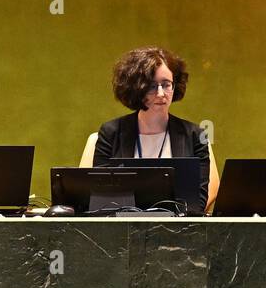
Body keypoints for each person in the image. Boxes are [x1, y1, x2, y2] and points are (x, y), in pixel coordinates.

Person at [93, 46, 220, 212]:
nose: (161, 93)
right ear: (136, 88)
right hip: (121, 229)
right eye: (152, 86)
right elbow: (100, 197)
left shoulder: (195, 135)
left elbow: (198, 202)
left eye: (166, 85)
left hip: (178, 230)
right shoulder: (111, 132)